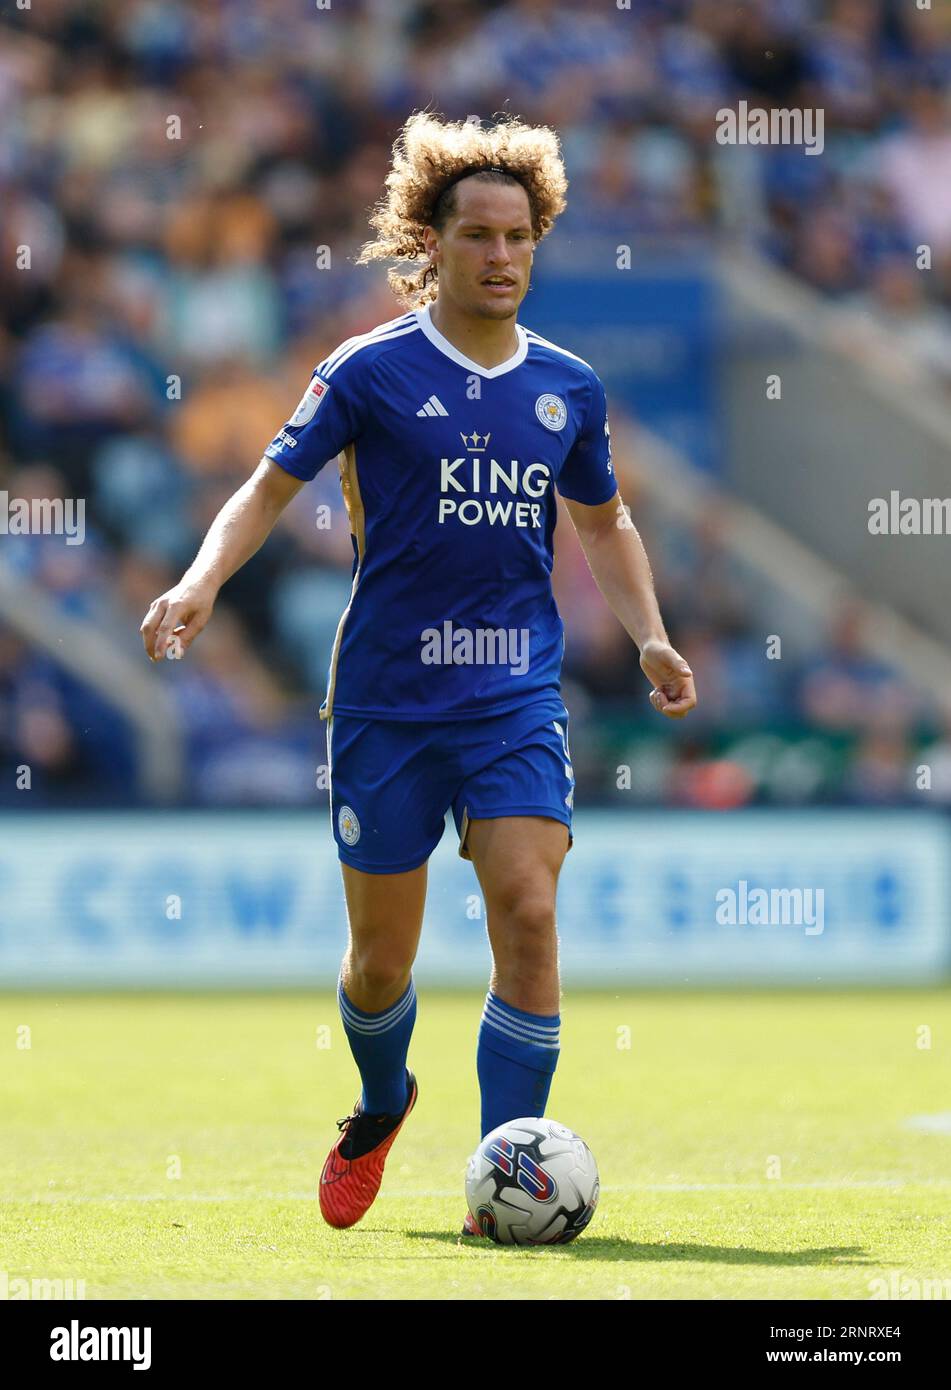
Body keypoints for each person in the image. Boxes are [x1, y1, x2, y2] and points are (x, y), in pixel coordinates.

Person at [139, 112, 696, 1237]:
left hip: (513, 694)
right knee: (380, 961)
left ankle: (511, 1178)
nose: (501, 256)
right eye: (479, 234)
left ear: (538, 243)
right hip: (388, 701)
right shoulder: (370, 372)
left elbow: (602, 523)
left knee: (529, 911)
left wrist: (648, 632)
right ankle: (384, 1097)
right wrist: (198, 581)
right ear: (430, 243)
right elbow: (265, 489)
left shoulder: (568, 388)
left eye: (520, 235)